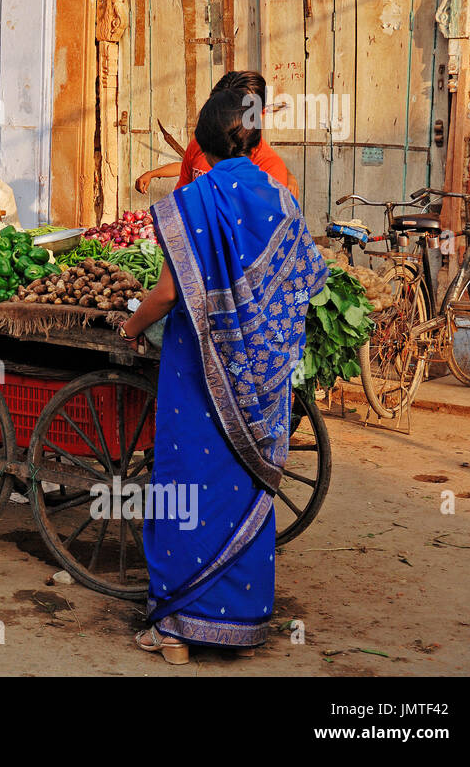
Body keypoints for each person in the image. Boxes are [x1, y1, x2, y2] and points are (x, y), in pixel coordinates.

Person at [119, 87, 327, 664]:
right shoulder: (282, 198)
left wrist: (131, 328)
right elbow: (308, 281)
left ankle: (176, 632)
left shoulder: (193, 200)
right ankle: (239, 624)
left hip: (197, 371)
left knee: (187, 485)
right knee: (243, 487)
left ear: (203, 142)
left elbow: (164, 294)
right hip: (261, 381)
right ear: (255, 139)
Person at [134, 71, 299, 199]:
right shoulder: (200, 144)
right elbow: (182, 199)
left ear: (259, 115)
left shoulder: (269, 167)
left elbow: (261, 234)